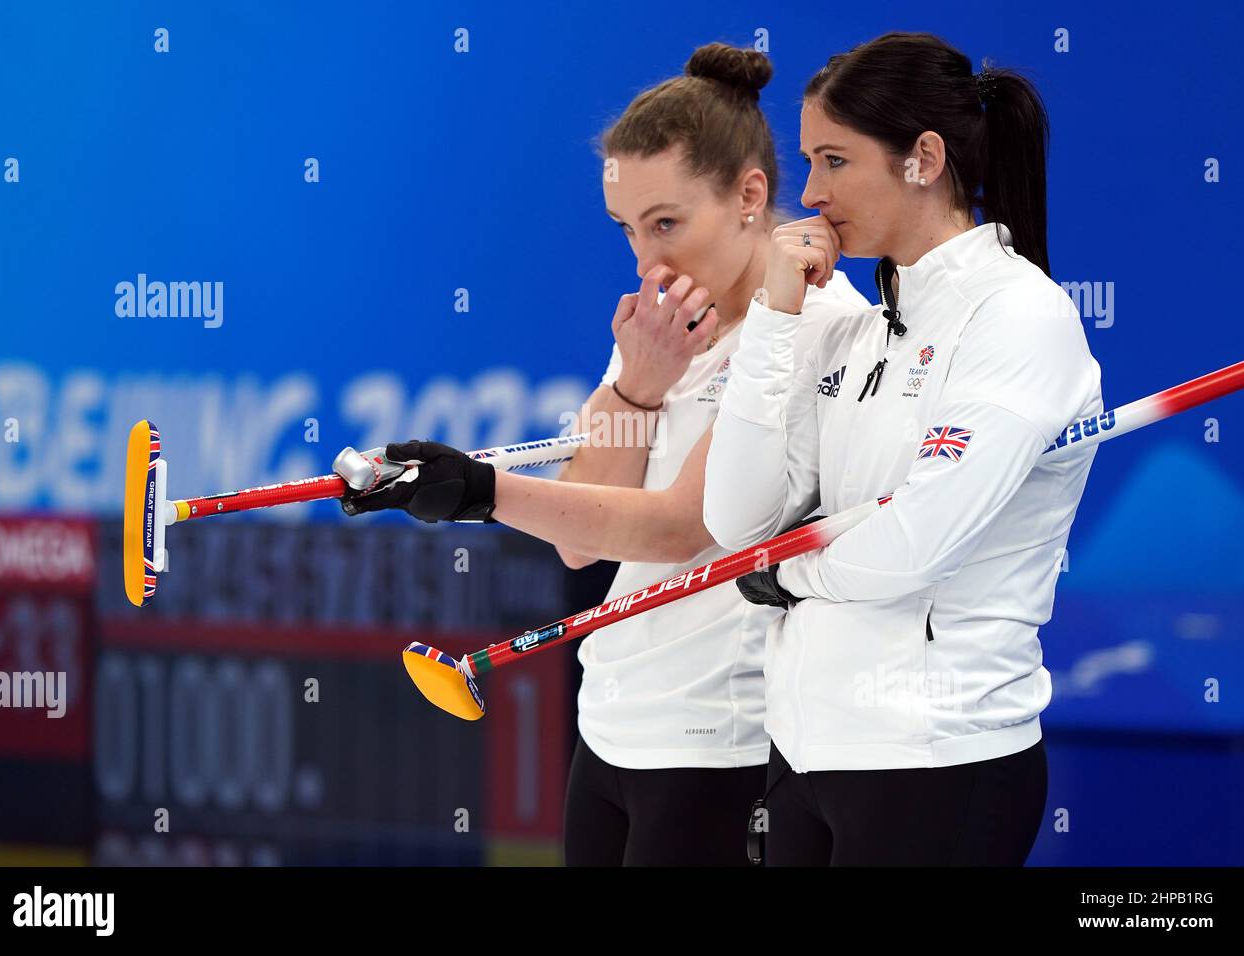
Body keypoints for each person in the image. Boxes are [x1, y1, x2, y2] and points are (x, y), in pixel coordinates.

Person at [336, 42, 869, 865]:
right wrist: (637, 391)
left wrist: (482, 491)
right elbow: (583, 541)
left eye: (667, 223)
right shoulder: (660, 323)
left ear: (750, 197)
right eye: (627, 229)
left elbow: (682, 529)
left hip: (721, 743)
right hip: (614, 723)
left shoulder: (815, 327)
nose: (646, 261)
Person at [703, 32, 1103, 866]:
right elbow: (735, 517)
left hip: (936, 760)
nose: (809, 193)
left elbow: (911, 546)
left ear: (923, 157)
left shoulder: (1019, 318)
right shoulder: (856, 321)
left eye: (835, 161)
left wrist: (784, 574)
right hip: (803, 752)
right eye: (808, 161)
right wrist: (776, 322)